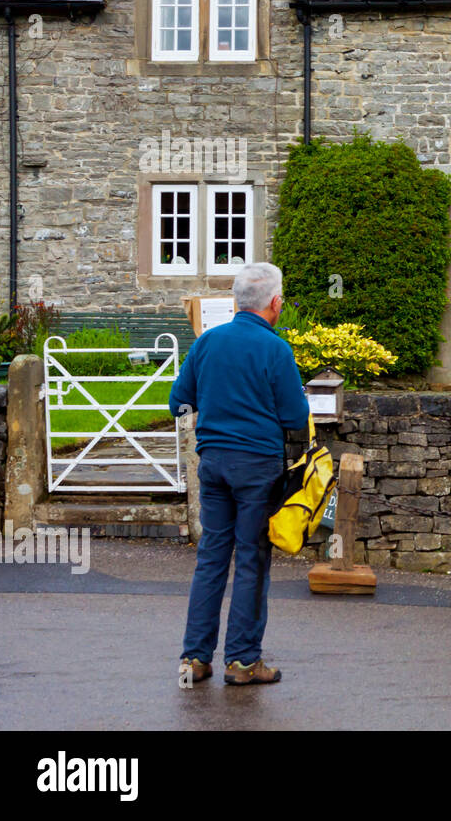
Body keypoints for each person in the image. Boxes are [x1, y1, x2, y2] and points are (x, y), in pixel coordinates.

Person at [171, 262, 309, 686]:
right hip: (257, 466)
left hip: (212, 462)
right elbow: (295, 415)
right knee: (250, 560)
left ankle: (195, 659)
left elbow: (179, 401)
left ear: (236, 301)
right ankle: (243, 662)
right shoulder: (275, 350)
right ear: (275, 303)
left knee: (211, 558)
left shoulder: (208, 341)